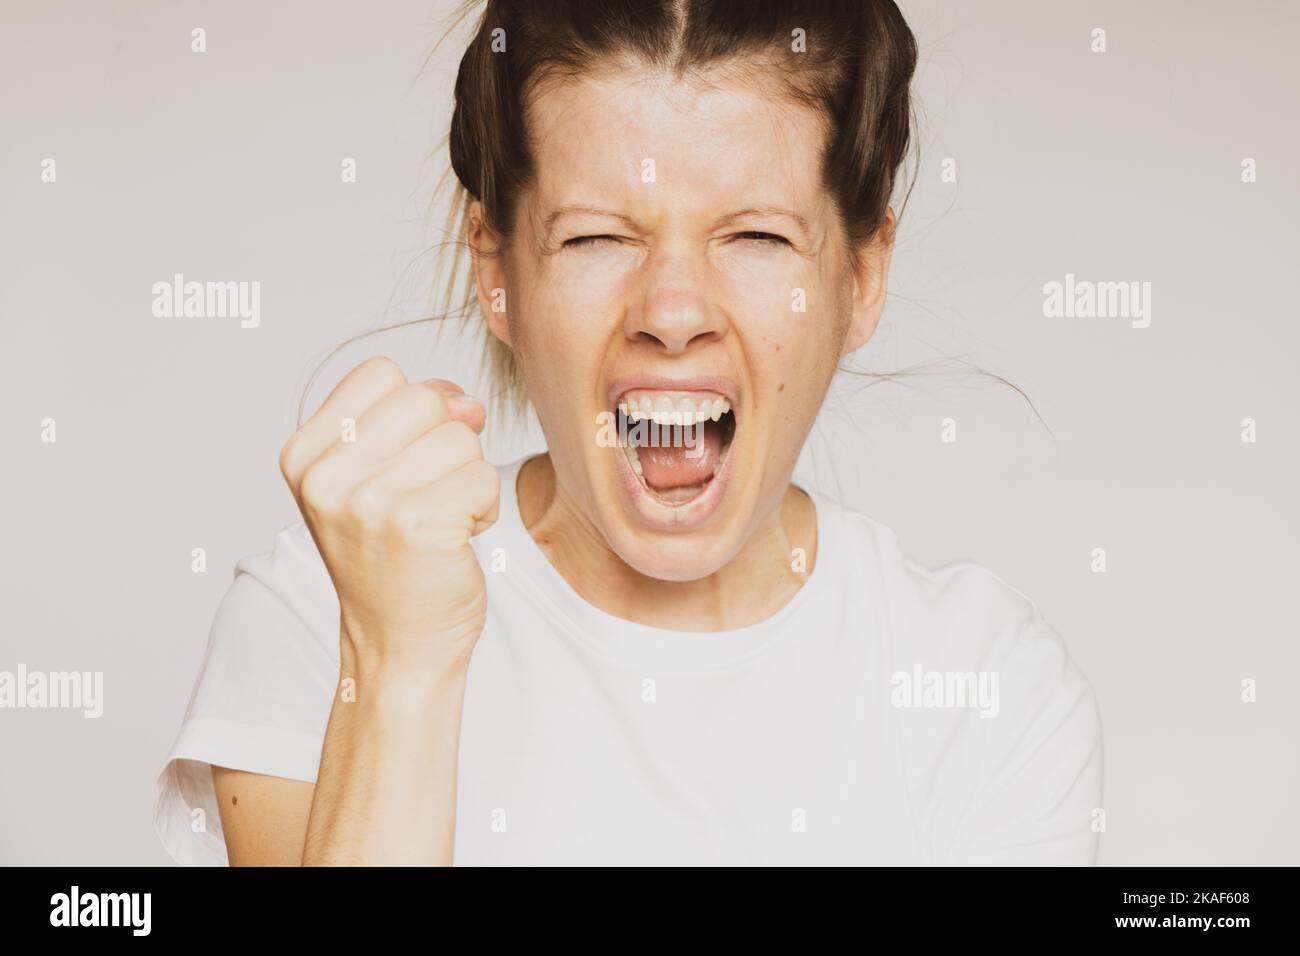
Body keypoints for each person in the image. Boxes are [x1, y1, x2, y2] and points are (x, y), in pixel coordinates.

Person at [155, 0, 1101, 866]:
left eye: (757, 236)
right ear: (498, 272)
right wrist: (397, 667)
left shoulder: (984, 684)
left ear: (860, 279)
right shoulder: (320, 619)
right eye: (597, 236)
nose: (675, 310)